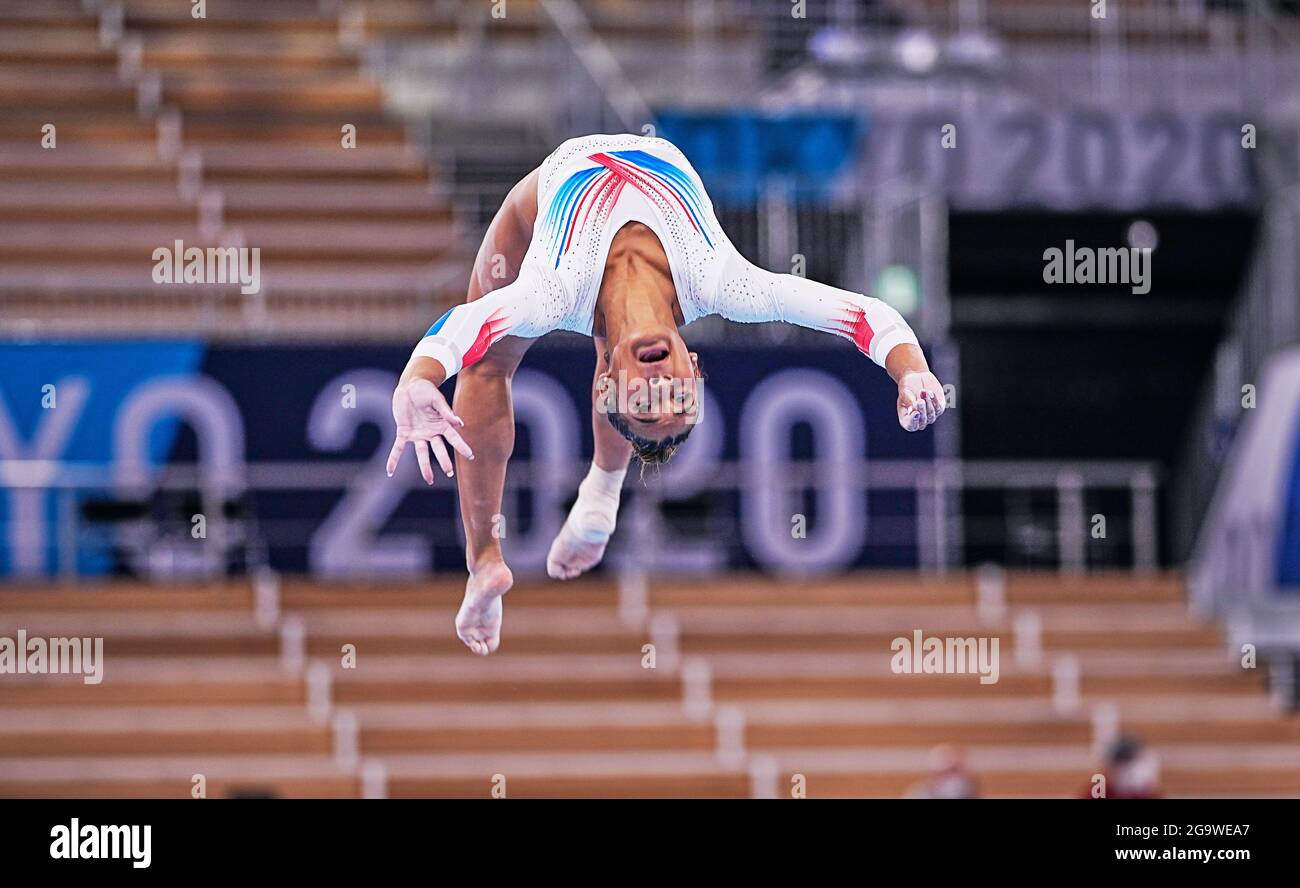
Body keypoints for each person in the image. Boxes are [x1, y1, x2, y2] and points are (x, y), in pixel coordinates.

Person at [386, 133, 947, 655]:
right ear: (694, 366)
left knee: (485, 365)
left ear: (607, 387)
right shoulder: (724, 282)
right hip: (645, 181)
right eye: (677, 398)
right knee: (603, 340)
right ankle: (600, 496)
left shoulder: (552, 291)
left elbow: (462, 326)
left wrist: (417, 381)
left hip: (550, 194)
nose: (658, 389)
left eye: (643, 403)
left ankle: (483, 554)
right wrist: (911, 370)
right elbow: (860, 315)